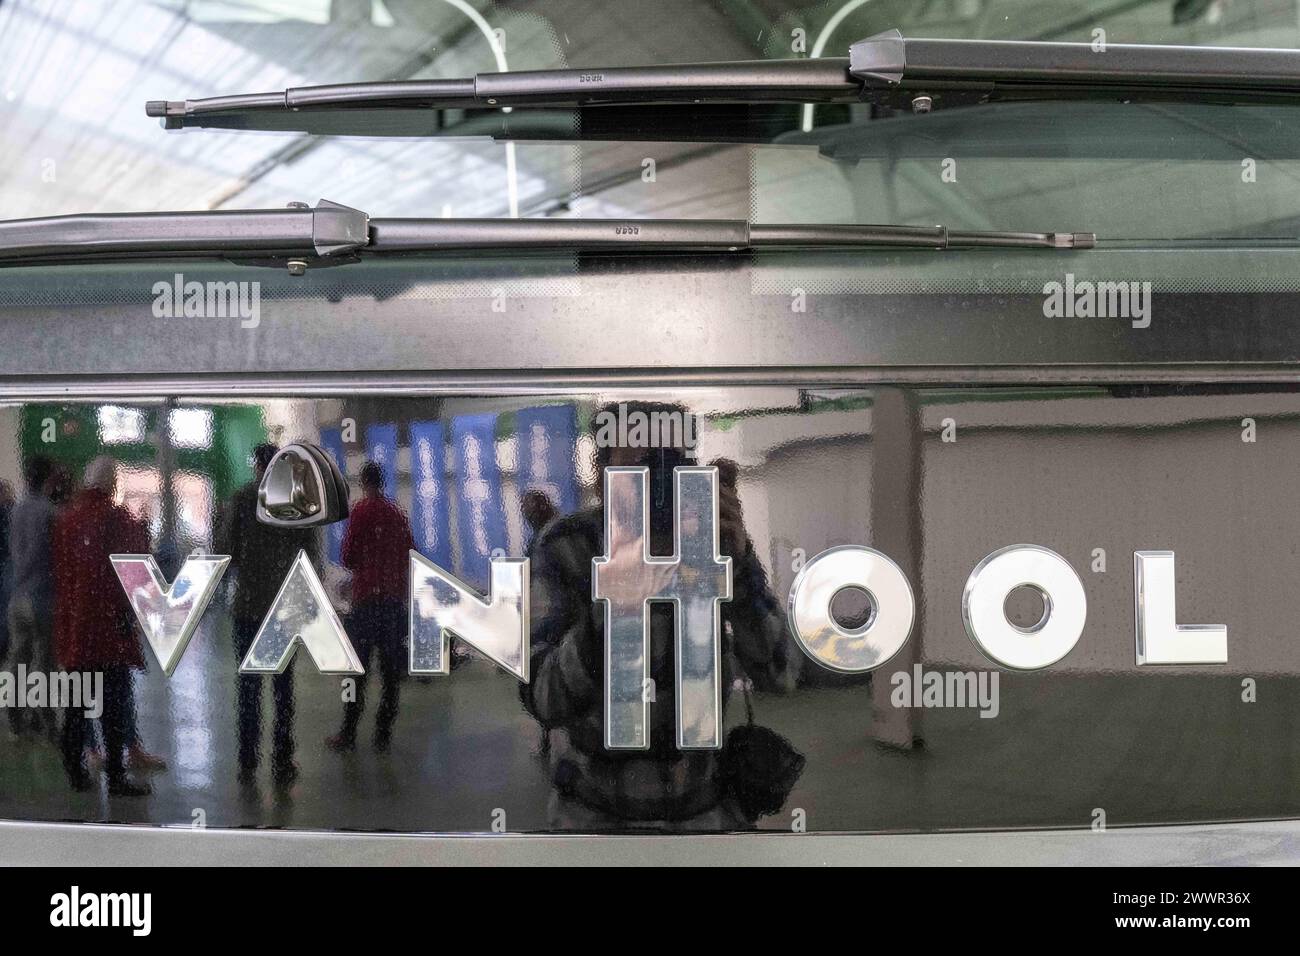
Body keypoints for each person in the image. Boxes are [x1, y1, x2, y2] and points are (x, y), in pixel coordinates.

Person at [521, 402, 793, 830]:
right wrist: (615, 599)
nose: (656, 486)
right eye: (641, 468)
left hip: (705, 816)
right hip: (595, 821)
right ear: (601, 474)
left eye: (670, 465)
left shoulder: (710, 543)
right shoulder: (567, 547)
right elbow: (543, 697)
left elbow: (782, 672)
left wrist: (738, 567)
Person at [214, 443, 318, 788]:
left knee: (249, 687)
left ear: (257, 466)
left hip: (248, 606)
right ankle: (283, 760)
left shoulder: (243, 499)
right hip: (285, 609)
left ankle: (247, 762)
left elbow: (225, 550)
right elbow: (310, 555)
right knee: (283, 688)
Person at [52, 456, 152, 796]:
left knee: (77, 705)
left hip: (77, 629)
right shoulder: (116, 519)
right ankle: (116, 775)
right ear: (111, 484)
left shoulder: (66, 521)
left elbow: (62, 576)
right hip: (109, 629)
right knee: (113, 706)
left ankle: (74, 772)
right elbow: (135, 565)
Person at [327, 460, 413, 753]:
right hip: (392, 601)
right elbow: (409, 552)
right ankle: (383, 734)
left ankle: (348, 733)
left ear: (364, 483)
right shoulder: (397, 514)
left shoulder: (361, 511)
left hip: (366, 602)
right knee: (390, 673)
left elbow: (348, 557)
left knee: (357, 671)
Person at [4, 457, 56, 737]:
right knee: (44, 663)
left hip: (17, 595)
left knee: (17, 659)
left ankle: (14, 718)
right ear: (48, 480)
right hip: (42, 597)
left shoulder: (16, 510)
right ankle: (45, 721)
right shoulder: (50, 513)